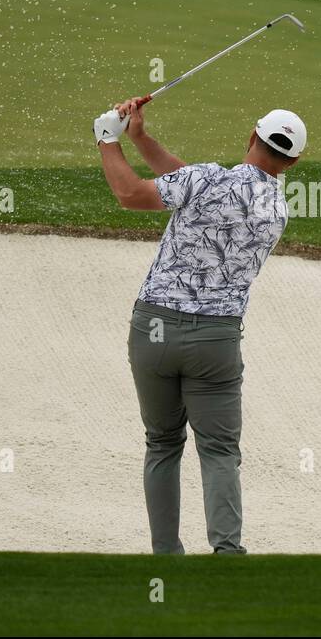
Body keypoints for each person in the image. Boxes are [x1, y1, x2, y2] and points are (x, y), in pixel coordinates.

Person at [94, 98, 306, 554]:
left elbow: (133, 195)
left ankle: (167, 556)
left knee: (163, 444)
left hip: (154, 330)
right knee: (220, 451)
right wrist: (143, 140)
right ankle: (227, 554)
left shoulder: (206, 179)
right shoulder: (276, 210)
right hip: (216, 341)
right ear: (293, 161)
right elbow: (202, 187)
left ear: (251, 136)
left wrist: (108, 139)